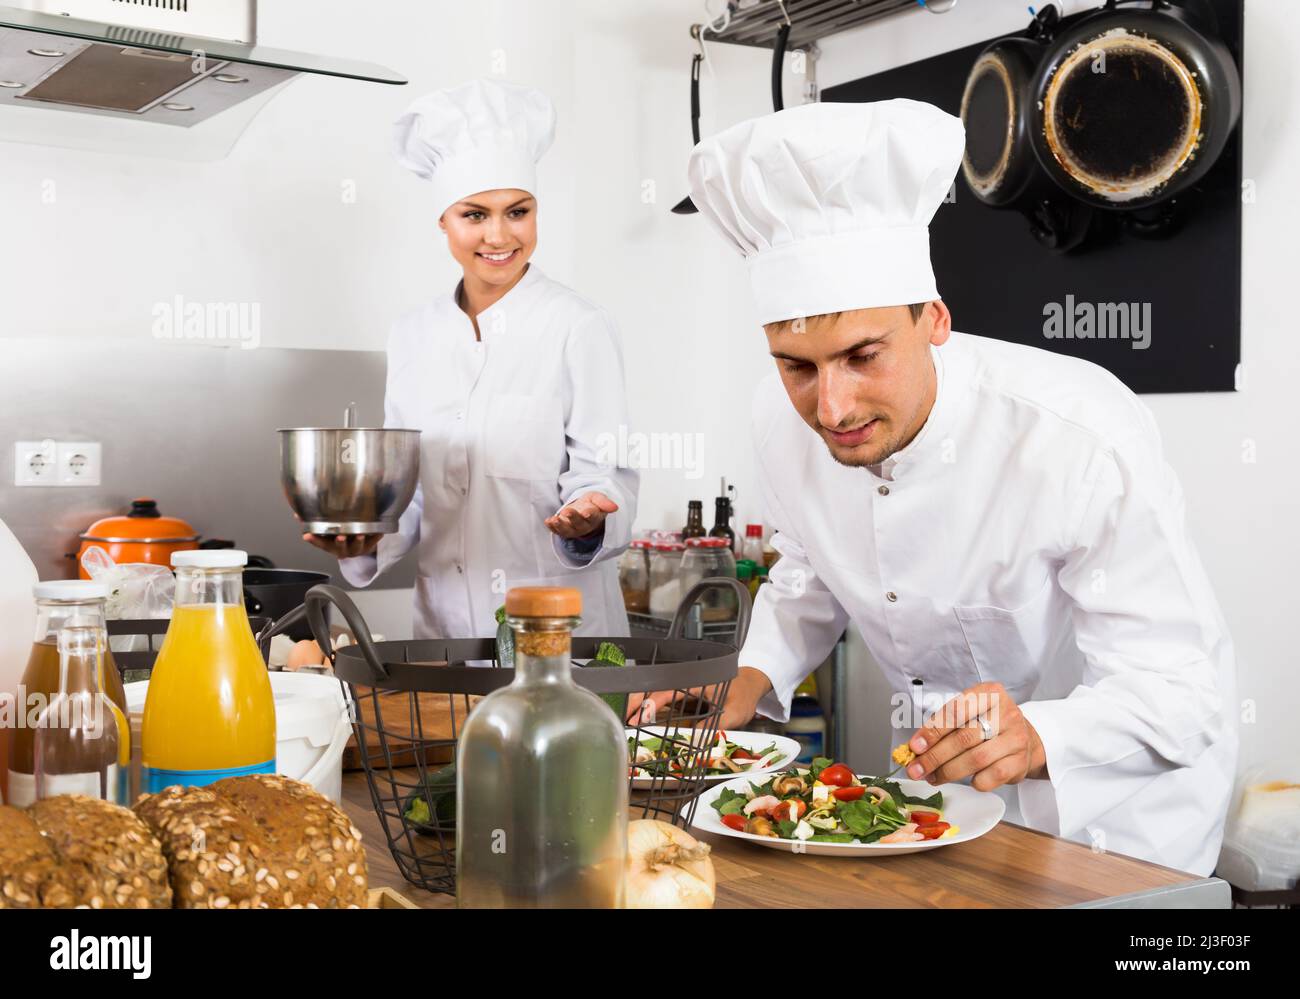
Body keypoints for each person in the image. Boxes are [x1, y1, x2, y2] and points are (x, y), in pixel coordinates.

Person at [683, 98, 1236, 875]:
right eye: (797, 366)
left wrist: (1045, 735)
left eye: (863, 355)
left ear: (934, 319)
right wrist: (750, 678)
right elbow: (809, 570)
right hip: (942, 812)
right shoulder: (779, 422)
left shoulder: (1077, 436)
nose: (831, 407)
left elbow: (1183, 689)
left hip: (1117, 828)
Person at [305, 79, 637, 639]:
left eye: (518, 211)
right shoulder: (413, 334)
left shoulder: (576, 325)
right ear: (443, 221)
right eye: (475, 215)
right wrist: (366, 538)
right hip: (446, 635)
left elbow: (603, 474)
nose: (500, 235)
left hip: (559, 636)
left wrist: (589, 516)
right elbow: (406, 492)